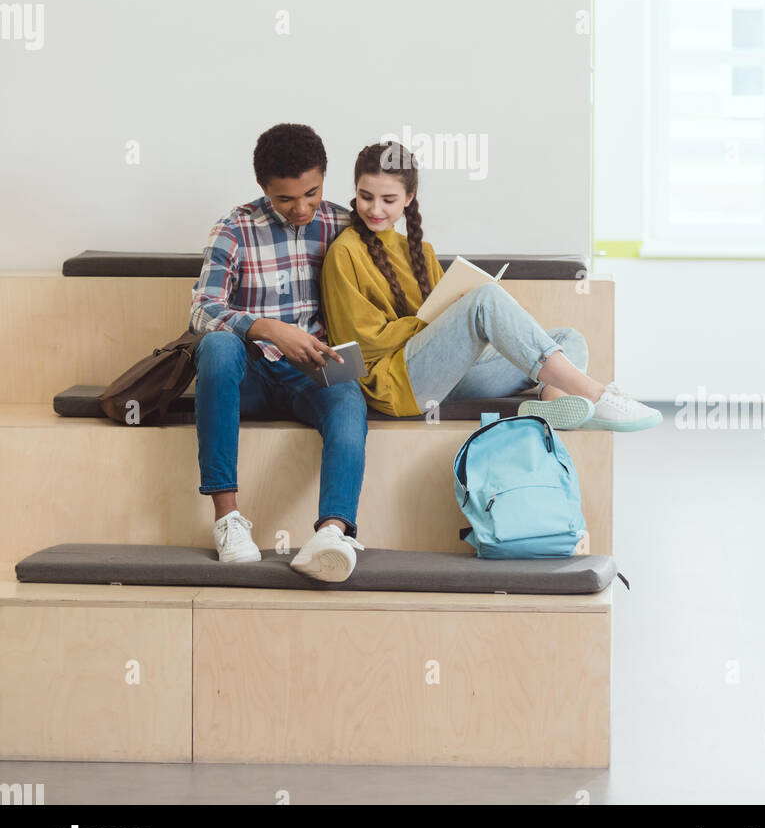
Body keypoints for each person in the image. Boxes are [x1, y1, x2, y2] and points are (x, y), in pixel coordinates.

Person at [320, 141, 662, 432]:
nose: (374, 209)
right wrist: (446, 318)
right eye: (366, 197)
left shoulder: (419, 251)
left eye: (388, 200)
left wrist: (455, 315)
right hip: (395, 384)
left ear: (409, 198)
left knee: (568, 339)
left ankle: (551, 402)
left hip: (446, 376)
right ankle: (598, 396)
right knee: (484, 299)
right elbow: (361, 346)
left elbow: (438, 325)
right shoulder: (344, 252)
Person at [189, 123, 369, 584]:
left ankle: (332, 532)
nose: (301, 208)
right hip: (246, 372)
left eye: (312, 193)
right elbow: (203, 310)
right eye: (285, 199)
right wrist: (267, 328)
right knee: (217, 345)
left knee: (348, 397)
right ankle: (228, 520)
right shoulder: (234, 228)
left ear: (324, 179)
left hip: (309, 373)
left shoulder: (343, 225)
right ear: (263, 188)